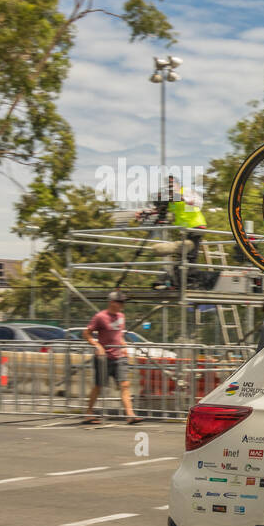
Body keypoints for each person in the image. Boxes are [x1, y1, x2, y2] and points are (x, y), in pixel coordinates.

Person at [82, 290, 143, 424]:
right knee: (99, 386)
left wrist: (124, 346)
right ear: (111, 302)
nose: (122, 305)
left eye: (123, 302)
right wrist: (97, 345)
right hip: (104, 358)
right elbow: (86, 333)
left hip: (119, 357)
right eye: (119, 302)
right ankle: (88, 413)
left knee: (125, 385)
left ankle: (130, 415)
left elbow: (118, 335)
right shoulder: (100, 317)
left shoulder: (121, 316)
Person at [154, 177, 207, 290]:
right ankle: (177, 282)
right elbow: (164, 211)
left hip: (195, 226)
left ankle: (191, 283)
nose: (170, 189)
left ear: (178, 185)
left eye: (172, 186)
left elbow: (197, 202)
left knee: (190, 255)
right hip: (184, 230)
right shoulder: (170, 199)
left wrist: (181, 198)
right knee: (181, 255)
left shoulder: (186, 191)